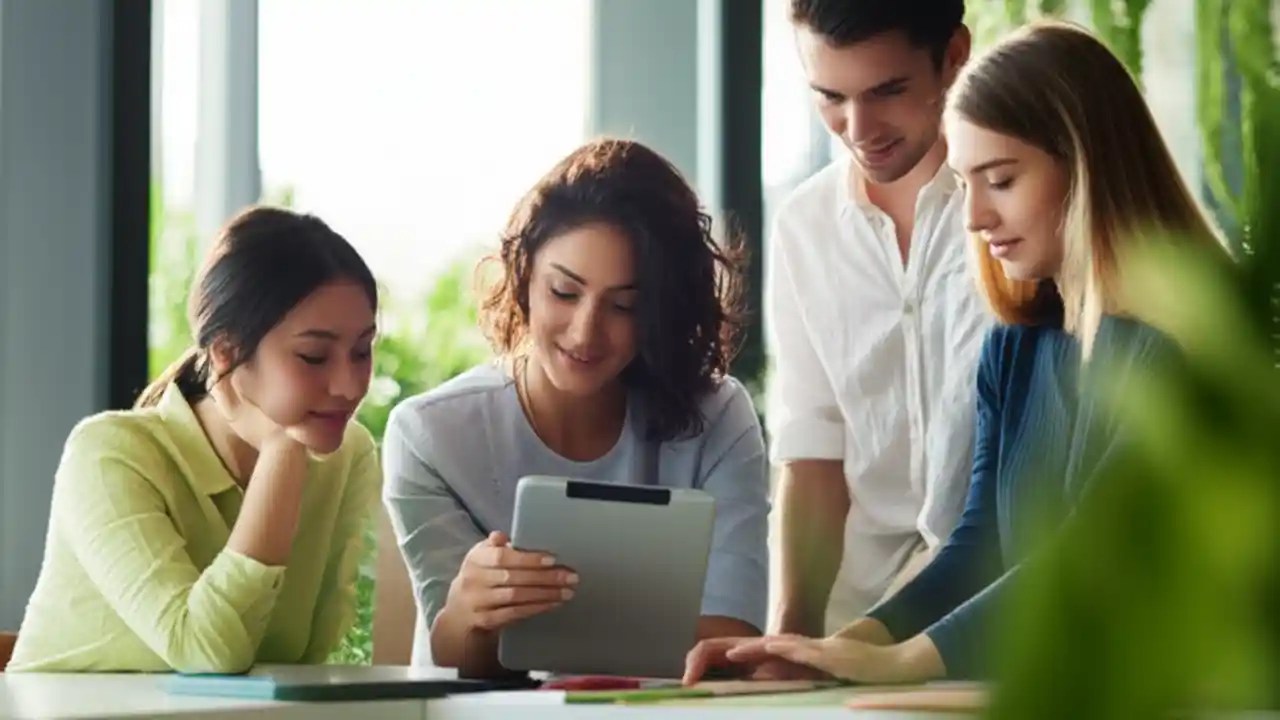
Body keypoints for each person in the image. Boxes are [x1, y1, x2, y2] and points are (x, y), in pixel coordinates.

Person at [684, 21, 1228, 684]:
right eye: (967, 183)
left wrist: (901, 660)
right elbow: (979, 545)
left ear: (1087, 166)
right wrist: (829, 648)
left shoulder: (1177, 354)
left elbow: (1085, 560)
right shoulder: (1017, 349)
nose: (973, 217)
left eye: (999, 180)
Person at [383, 138, 769, 676]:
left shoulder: (719, 418)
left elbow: (732, 640)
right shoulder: (431, 434)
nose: (586, 332)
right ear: (523, 276)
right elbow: (458, 661)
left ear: (662, 309)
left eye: (624, 305)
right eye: (564, 292)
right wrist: (470, 614)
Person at [9, 207, 382, 673]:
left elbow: (317, 660)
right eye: (313, 356)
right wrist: (281, 455)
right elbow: (203, 650)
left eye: (362, 350)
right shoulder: (110, 455)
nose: (350, 386)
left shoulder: (347, 455)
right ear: (226, 352)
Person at [767, 0, 989, 638]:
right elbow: (813, 444)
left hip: (988, 620)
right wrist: (790, 633)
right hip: (853, 622)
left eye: (888, 91)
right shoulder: (804, 228)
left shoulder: (1011, 212)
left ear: (952, 56)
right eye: (830, 96)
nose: (858, 128)